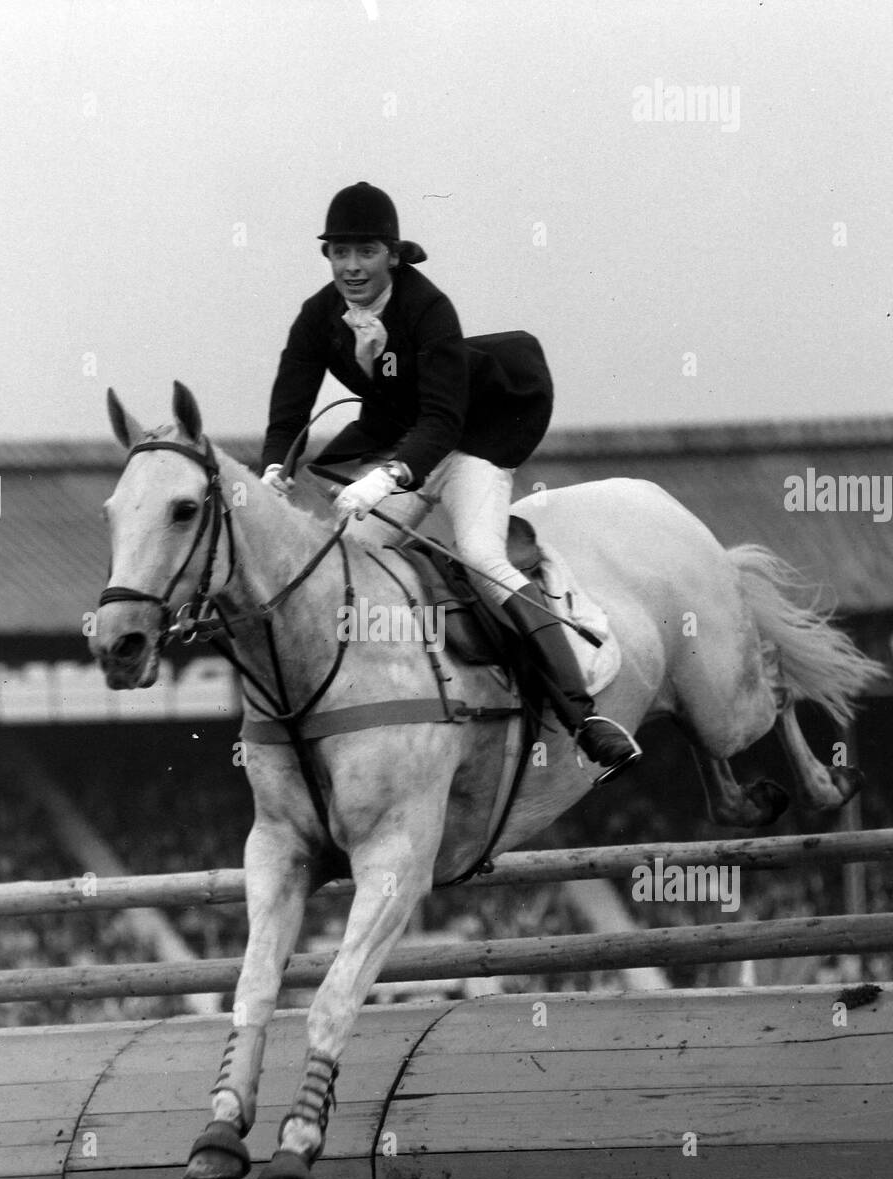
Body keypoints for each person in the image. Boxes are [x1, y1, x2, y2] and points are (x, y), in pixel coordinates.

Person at [259, 181, 640, 781]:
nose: (351, 267)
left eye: (365, 252)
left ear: (392, 253)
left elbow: (441, 423)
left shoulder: (429, 308)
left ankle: (584, 718)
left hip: (474, 434)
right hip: (406, 435)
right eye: (339, 253)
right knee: (354, 551)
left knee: (482, 555)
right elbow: (290, 406)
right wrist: (274, 468)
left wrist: (384, 480)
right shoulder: (317, 315)